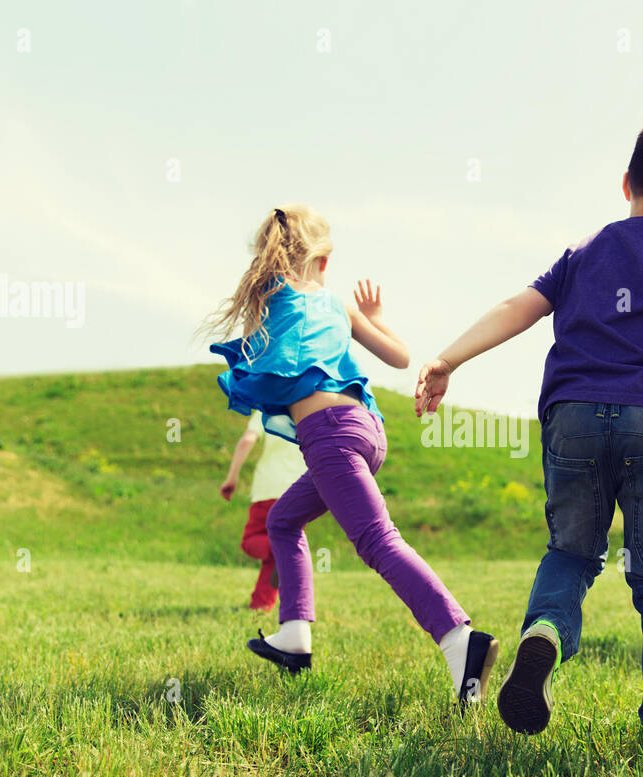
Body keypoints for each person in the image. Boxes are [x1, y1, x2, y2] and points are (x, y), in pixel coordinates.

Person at [415, 106, 643, 756]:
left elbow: (518, 307)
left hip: (572, 415)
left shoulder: (587, 250)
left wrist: (448, 358)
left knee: (571, 554)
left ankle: (545, 630)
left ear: (627, 182)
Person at [204, 204, 498, 704]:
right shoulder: (340, 305)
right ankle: (294, 636)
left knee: (377, 541)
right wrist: (378, 319)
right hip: (365, 429)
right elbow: (400, 357)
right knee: (283, 521)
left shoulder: (274, 294)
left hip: (328, 436)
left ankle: (457, 638)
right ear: (320, 259)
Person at [219, 416, 306, 611]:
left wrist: (232, 477)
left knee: (250, 540)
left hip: (269, 488)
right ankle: (262, 603)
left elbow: (248, 440)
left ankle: (289, 550)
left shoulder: (266, 403)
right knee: (278, 554)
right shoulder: (308, 404)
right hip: (300, 491)